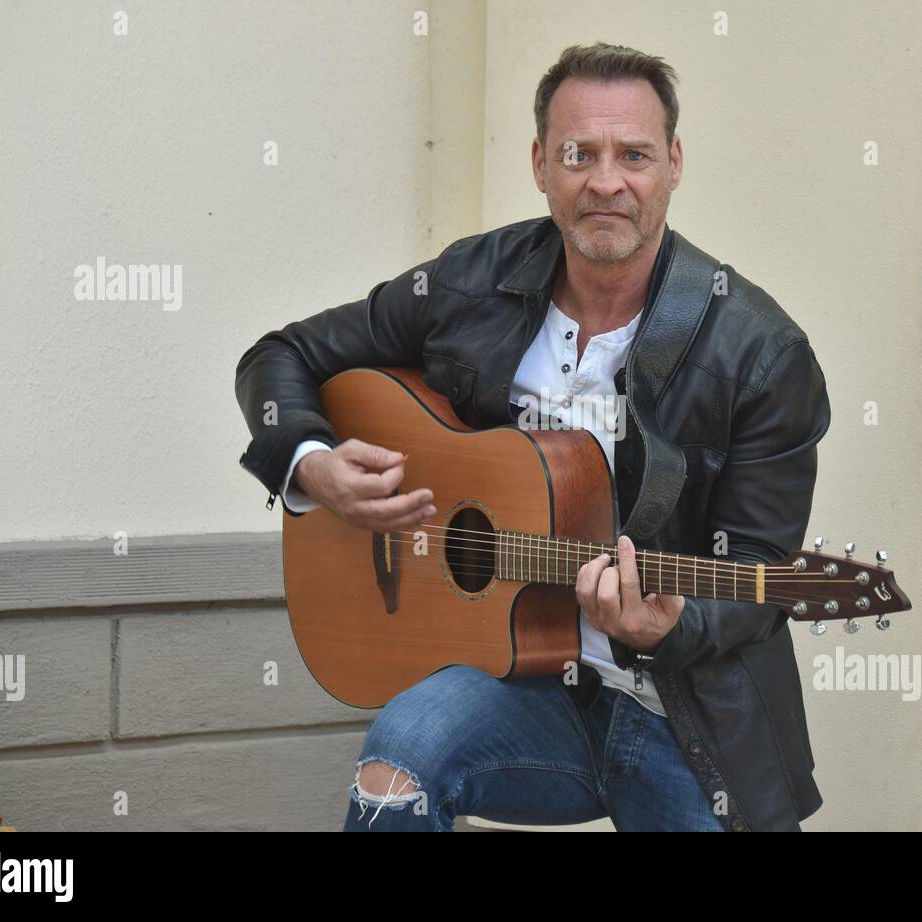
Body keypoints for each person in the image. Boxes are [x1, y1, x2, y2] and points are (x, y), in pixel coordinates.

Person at [235, 42, 831, 831]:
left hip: (683, 716)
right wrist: (314, 468)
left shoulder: (759, 355)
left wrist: (670, 623)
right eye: (579, 154)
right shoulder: (469, 283)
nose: (606, 181)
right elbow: (282, 356)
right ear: (541, 164)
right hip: (516, 682)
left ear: (674, 164)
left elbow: (758, 573)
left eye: (635, 155)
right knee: (397, 758)